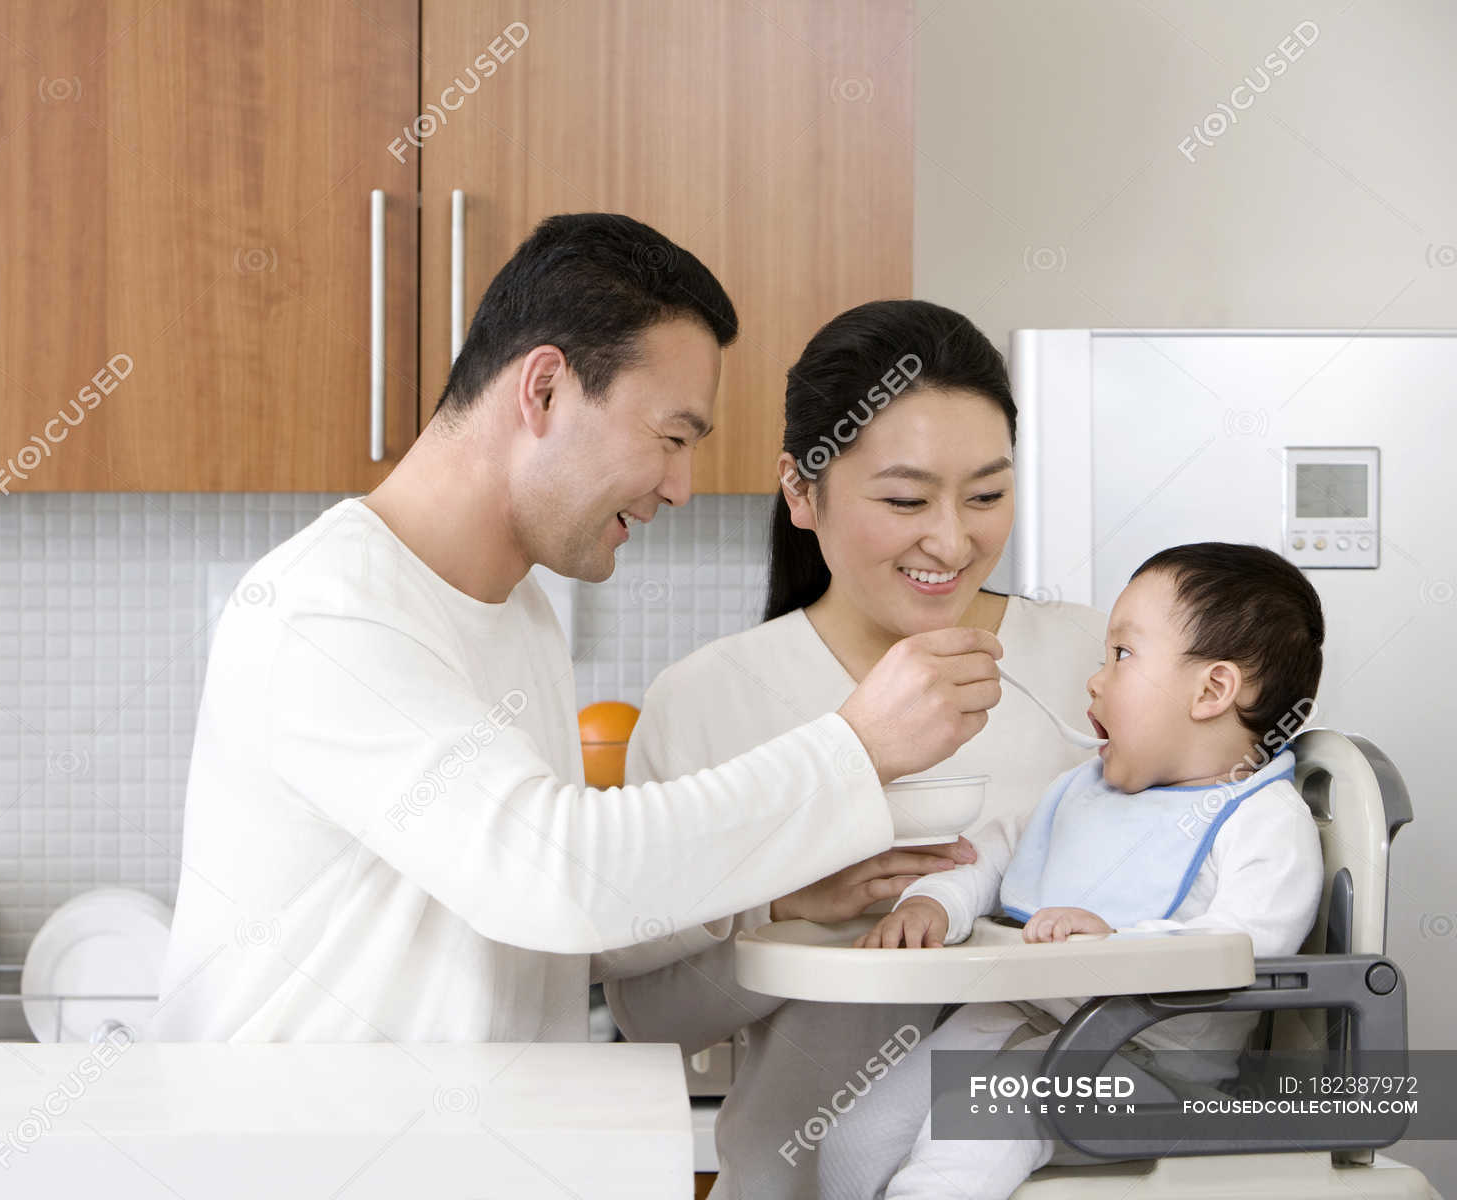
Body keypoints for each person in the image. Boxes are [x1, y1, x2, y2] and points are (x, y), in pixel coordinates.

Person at [149, 217, 1004, 1043]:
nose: (681, 487)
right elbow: (551, 874)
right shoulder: (331, 609)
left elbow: (540, 929)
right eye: (672, 437)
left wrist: (773, 901)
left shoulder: (515, 611)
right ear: (546, 388)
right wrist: (856, 748)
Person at [606, 299, 1106, 1197]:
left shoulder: (1098, 669)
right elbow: (655, 1019)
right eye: (906, 499)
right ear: (803, 491)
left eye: (987, 495)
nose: (952, 540)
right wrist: (794, 904)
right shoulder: (711, 699)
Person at [818, 542, 1326, 1200]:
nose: (1095, 679)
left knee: (975, 1132)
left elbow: (1249, 943)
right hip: (1010, 1019)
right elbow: (998, 848)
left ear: (1212, 690)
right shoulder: (1087, 790)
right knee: (852, 1138)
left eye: (1122, 654)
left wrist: (1116, 945)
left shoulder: (1262, 818)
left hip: (1147, 1062)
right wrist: (934, 904)